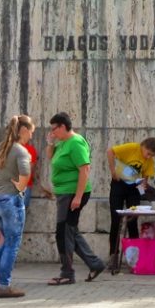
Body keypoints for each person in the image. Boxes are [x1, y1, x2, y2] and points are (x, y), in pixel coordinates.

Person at [46, 111, 104, 285]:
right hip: (64, 193)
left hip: (72, 194)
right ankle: (95, 264)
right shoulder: (62, 142)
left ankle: (67, 273)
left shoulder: (75, 143)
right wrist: (50, 143)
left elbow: (84, 169)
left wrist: (77, 197)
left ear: (63, 127)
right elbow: (51, 158)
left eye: (54, 129)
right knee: (70, 232)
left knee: (63, 234)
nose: (52, 133)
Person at [0, 114, 35, 297]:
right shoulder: (21, 150)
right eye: (31, 132)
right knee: (12, 244)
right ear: (24, 130)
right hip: (11, 201)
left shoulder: (2, 147)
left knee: (7, 242)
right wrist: (20, 187)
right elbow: (25, 175)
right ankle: (4, 286)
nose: (31, 136)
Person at [105, 135, 155, 259]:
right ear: (143, 146)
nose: (148, 157)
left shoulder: (149, 161)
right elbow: (110, 151)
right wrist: (112, 171)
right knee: (116, 219)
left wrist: (142, 190)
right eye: (148, 153)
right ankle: (113, 254)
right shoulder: (132, 148)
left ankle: (134, 256)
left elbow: (145, 179)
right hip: (119, 184)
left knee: (132, 220)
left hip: (134, 187)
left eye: (151, 156)